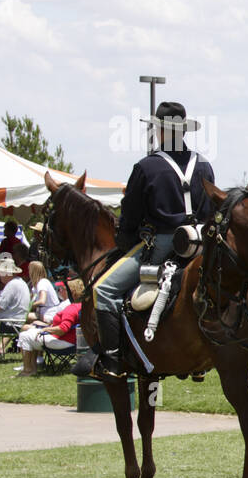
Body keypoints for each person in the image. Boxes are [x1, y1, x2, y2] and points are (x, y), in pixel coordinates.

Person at [91, 101, 214, 379]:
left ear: (160, 130)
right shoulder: (204, 166)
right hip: (199, 245)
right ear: (182, 131)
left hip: (161, 245)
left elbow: (131, 214)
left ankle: (111, 361)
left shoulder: (147, 167)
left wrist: (126, 240)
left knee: (104, 290)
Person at [16, 279, 83, 377]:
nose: (59, 291)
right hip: (74, 341)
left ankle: (27, 370)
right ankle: (33, 368)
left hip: (63, 342)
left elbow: (62, 329)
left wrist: (46, 329)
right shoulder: (82, 306)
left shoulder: (71, 308)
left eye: (63, 289)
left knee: (24, 336)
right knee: (31, 332)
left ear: (71, 291)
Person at [24, 261, 65, 325]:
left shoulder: (42, 283)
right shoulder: (36, 285)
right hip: (43, 312)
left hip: (50, 314)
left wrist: (29, 306)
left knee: (24, 317)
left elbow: (42, 301)